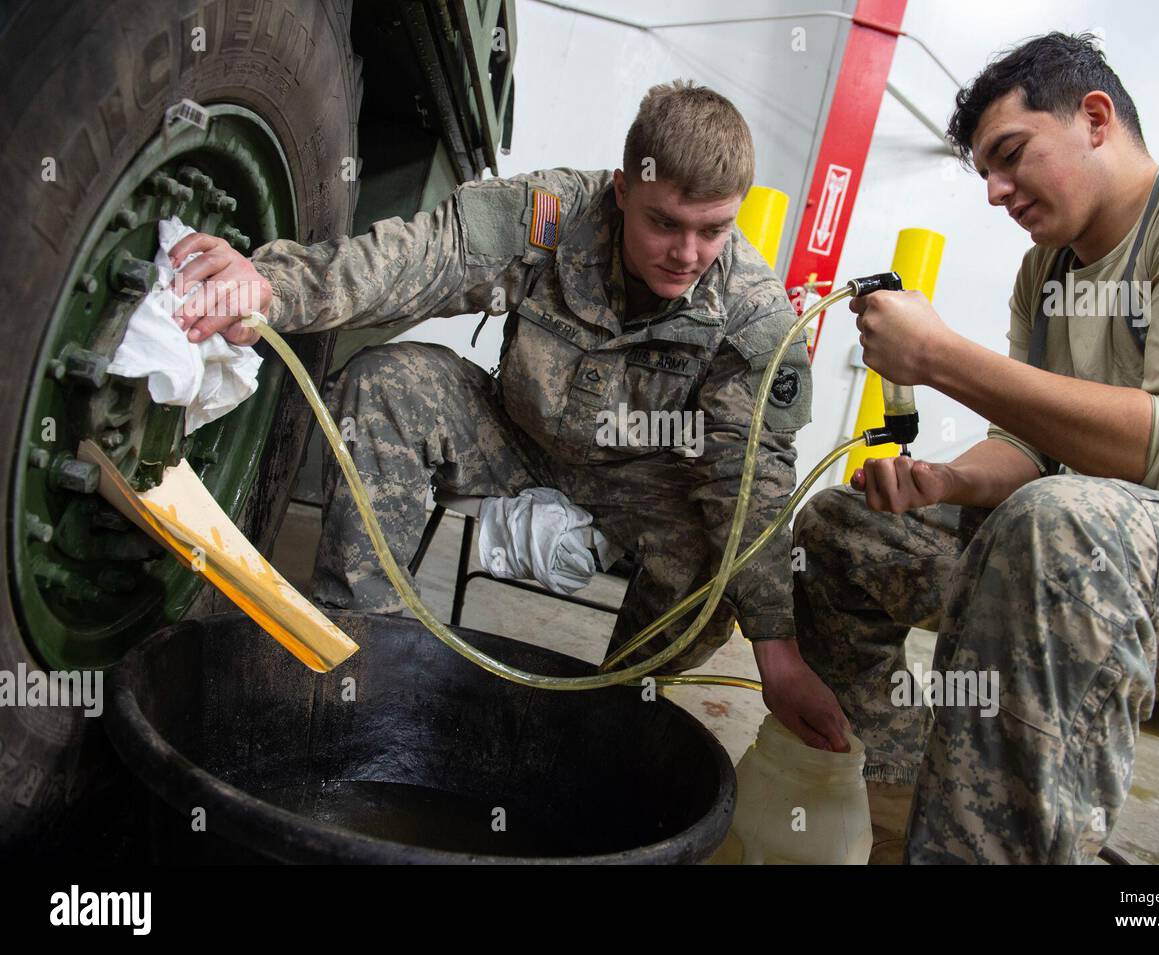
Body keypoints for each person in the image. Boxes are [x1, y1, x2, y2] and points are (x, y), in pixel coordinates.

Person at [166, 80, 851, 733]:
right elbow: (418, 259)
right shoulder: (549, 216)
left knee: (711, 569)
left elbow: (750, 483)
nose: (688, 253)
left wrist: (777, 651)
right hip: (514, 432)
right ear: (622, 189)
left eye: (713, 230)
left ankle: (605, 717)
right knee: (383, 385)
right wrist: (273, 285)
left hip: (641, 482)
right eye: (664, 223)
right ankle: (354, 654)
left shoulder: (752, 316)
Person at [766, 32, 1159, 863]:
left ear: (1095, 118)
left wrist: (940, 357)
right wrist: (945, 479)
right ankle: (899, 808)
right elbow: (1028, 445)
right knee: (841, 529)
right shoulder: (1045, 271)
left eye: (1011, 156)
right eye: (983, 171)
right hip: (1082, 552)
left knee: (1054, 526)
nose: (995, 192)